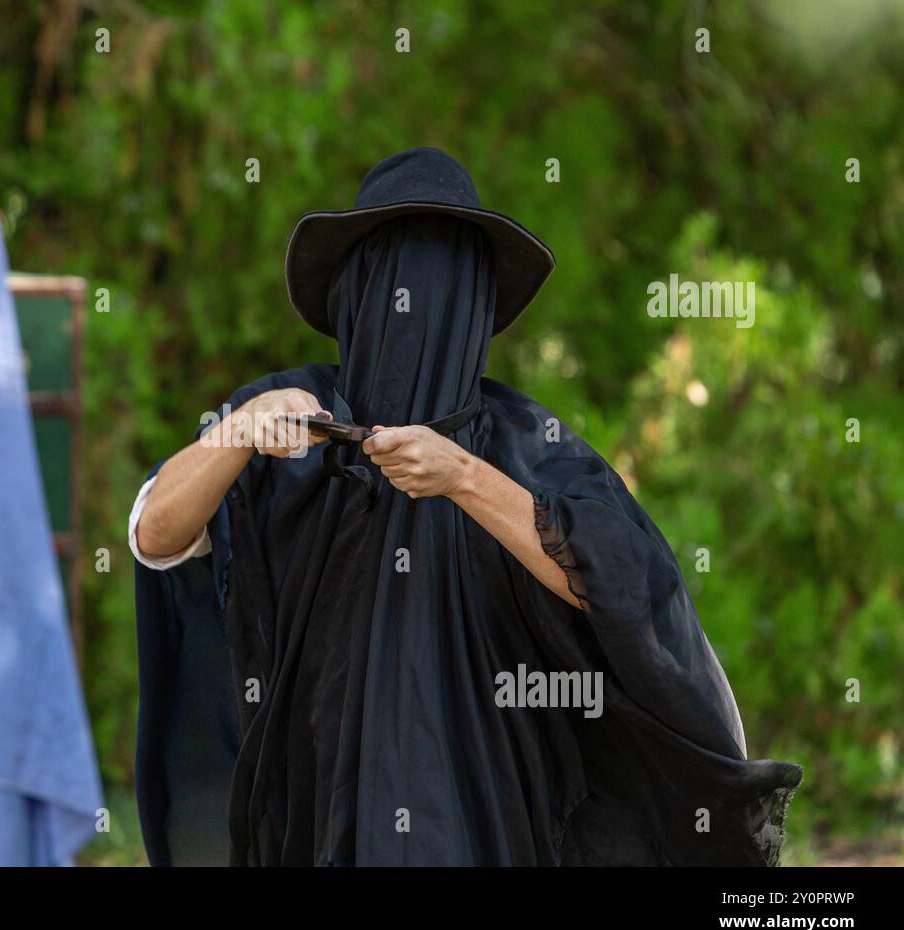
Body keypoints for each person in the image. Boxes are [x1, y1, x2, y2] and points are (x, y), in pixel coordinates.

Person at [130, 147, 803, 866]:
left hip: (491, 815)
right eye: (395, 266)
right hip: (318, 810)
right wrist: (237, 431)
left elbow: (620, 583)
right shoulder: (290, 423)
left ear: (474, 297)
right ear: (357, 287)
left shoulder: (525, 443)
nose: (415, 299)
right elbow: (155, 535)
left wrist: (463, 478)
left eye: (443, 270)